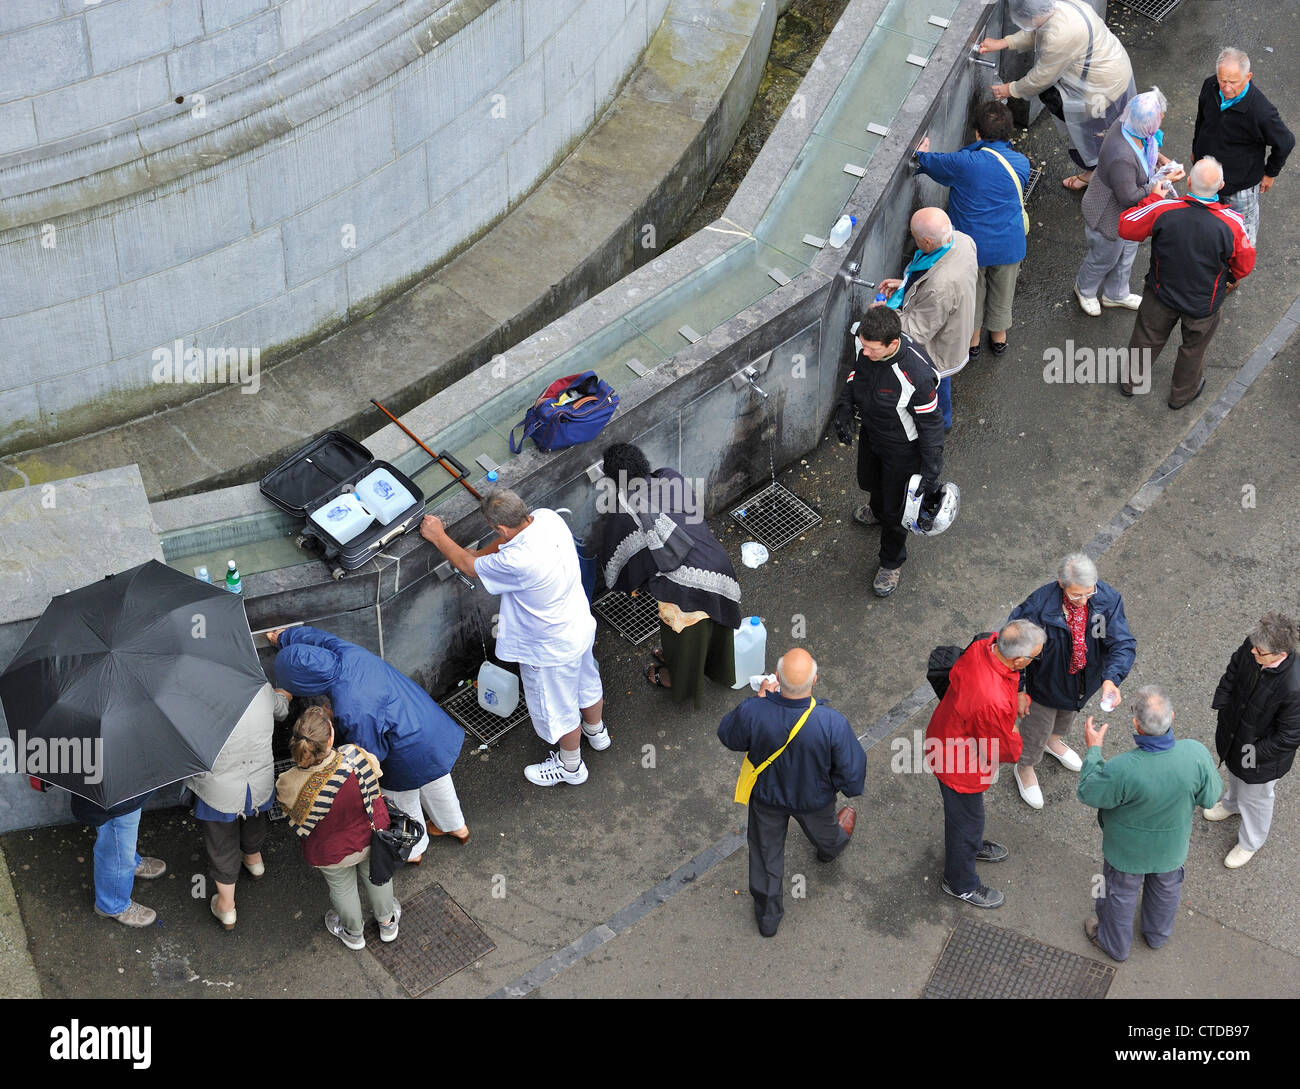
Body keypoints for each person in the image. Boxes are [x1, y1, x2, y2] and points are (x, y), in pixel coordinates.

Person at [421, 489, 608, 787]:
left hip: (549, 648)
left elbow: (469, 569)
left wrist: (438, 536)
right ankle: (596, 732)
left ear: (501, 528)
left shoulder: (517, 561)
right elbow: (502, 545)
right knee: (586, 681)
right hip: (578, 625)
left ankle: (571, 766)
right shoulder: (546, 518)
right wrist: (480, 554)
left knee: (559, 709)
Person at [271, 625, 469, 853]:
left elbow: (371, 754)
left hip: (406, 752)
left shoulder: (349, 706)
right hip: (430, 724)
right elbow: (321, 638)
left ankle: (414, 851)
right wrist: (285, 637)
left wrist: (336, 721)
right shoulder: (348, 653)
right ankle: (456, 826)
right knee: (438, 780)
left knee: (402, 800)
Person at [717, 648, 864, 938]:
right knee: (825, 831)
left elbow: (728, 735)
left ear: (776, 680)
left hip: (766, 796)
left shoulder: (753, 711)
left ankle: (768, 917)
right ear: (815, 680)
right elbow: (852, 775)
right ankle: (830, 849)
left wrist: (758, 700)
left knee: (765, 852)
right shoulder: (831, 722)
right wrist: (836, 785)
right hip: (814, 797)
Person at [1076, 687, 1221, 961]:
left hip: (1126, 852)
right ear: (1172, 717)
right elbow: (1211, 798)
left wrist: (1094, 750)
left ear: (1136, 724)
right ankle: (1156, 936)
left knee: (1119, 894)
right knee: (1166, 889)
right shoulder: (1196, 754)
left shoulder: (1123, 767)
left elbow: (1089, 792)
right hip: (1171, 849)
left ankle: (1114, 945)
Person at [595, 442, 741, 708]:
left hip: (683, 587)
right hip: (717, 563)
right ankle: (713, 667)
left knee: (683, 635)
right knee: (715, 624)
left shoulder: (626, 511)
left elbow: (616, 563)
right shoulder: (670, 476)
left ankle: (676, 676)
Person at [1117, 156, 1256, 408]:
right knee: (1193, 349)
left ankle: (1130, 382)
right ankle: (1181, 395)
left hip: (1161, 292)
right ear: (1221, 185)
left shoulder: (1164, 210)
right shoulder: (1232, 224)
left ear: (1189, 182)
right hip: (1204, 302)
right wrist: (1230, 278)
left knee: (1147, 336)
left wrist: (1154, 198)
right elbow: (1244, 264)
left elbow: (1126, 226)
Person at [926, 620, 1046, 909]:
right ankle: (960, 883)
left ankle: (973, 846)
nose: (1034, 661)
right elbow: (1000, 746)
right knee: (967, 823)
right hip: (960, 764)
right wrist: (1017, 735)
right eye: (1033, 657)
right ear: (1018, 659)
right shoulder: (990, 700)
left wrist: (1017, 693)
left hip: (947, 738)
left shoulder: (986, 645)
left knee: (968, 817)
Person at [1006, 553, 1136, 810]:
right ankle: (1025, 765)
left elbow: (1121, 642)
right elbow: (1015, 653)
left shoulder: (1106, 599)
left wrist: (1112, 679)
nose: (1084, 600)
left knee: (1066, 719)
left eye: (1090, 592)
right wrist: (1020, 690)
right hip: (1044, 686)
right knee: (1035, 730)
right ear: (1060, 583)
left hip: (1082, 682)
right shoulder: (1038, 608)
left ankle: (1053, 742)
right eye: (1077, 595)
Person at [832, 305, 945, 598]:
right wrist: (845, 408)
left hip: (903, 450)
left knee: (898, 511)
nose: (864, 352)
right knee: (870, 481)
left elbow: (932, 425)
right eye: (863, 346)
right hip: (873, 434)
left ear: (892, 344)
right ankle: (877, 510)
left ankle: (891, 562)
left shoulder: (916, 375)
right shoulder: (868, 346)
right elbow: (856, 375)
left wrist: (931, 470)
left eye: (871, 349)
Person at [275, 706, 400, 950]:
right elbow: (377, 771)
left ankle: (354, 934)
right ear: (331, 738)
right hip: (371, 836)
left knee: (342, 890)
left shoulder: (288, 781)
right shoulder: (355, 756)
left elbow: (287, 809)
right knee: (378, 876)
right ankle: (388, 923)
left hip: (329, 851)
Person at [914, 100, 1029, 358]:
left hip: (972, 246)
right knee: (1004, 288)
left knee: (973, 292)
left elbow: (929, 162)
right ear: (1008, 132)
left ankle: (973, 340)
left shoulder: (965, 162)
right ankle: (999, 336)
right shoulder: (1021, 163)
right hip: (1010, 244)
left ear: (977, 132)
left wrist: (920, 152)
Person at [982, 0, 1135, 190]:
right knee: (1110, 131)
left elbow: (1041, 78)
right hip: (1114, 69)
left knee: (1089, 137)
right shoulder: (1063, 6)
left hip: (1101, 91)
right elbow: (1037, 32)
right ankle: (1104, 167)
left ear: (1034, 15)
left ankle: (1095, 174)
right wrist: (1004, 43)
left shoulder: (1060, 37)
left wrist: (1010, 90)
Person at [185, 681, 290, 930]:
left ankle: (226, 907)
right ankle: (254, 861)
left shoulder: (194, 699)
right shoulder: (260, 688)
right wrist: (283, 696)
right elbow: (282, 710)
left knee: (221, 843)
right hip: (258, 784)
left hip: (217, 790)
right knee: (254, 820)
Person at [1075, 88, 1185, 316]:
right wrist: (1160, 182)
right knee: (1104, 258)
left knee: (1126, 254)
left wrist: (1162, 162)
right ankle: (1084, 289)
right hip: (1109, 215)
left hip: (1128, 214)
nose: (1160, 121)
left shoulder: (1130, 125)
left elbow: (1150, 147)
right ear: (1145, 123)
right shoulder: (1121, 157)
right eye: (1158, 118)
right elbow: (1128, 197)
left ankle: (1116, 294)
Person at [1205, 613, 1300, 868]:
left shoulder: (1295, 685)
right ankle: (1233, 803)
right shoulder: (1254, 646)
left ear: (1281, 653)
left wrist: (1251, 753)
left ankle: (1250, 842)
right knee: (1236, 777)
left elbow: (1289, 736)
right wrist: (1223, 701)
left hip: (1261, 757)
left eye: (1261, 653)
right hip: (1237, 736)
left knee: (1257, 799)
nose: (1254, 653)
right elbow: (1234, 669)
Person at [875, 207, 977, 430]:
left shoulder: (941, 286)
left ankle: (939, 425)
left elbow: (915, 331)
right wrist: (904, 285)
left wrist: (885, 312)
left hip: (939, 350)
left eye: (915, 236)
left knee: (934, 388)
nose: (913, 238)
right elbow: (925, 279)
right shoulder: (961, 240)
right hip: (953, 324)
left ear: (928, 243)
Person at [1192, 47, 1294, 246]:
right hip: (1206, 179)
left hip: (1239, 187)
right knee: (1207, 226)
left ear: (1248, 77)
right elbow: (1201, 118)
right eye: (1223, 80)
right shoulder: (1210, 85)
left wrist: (1270, 173)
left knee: (1241, 235)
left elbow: (1286, 141)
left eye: (1233, 82)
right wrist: (1196, 147)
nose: (1226, 88)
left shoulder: (1260, 111)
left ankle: (1235, 274)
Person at [72, 790, 166, 928]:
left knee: (119, 833)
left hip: (121, 786)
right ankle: (112, 904)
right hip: (116, 795)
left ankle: (129, 862)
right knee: (117, 830)